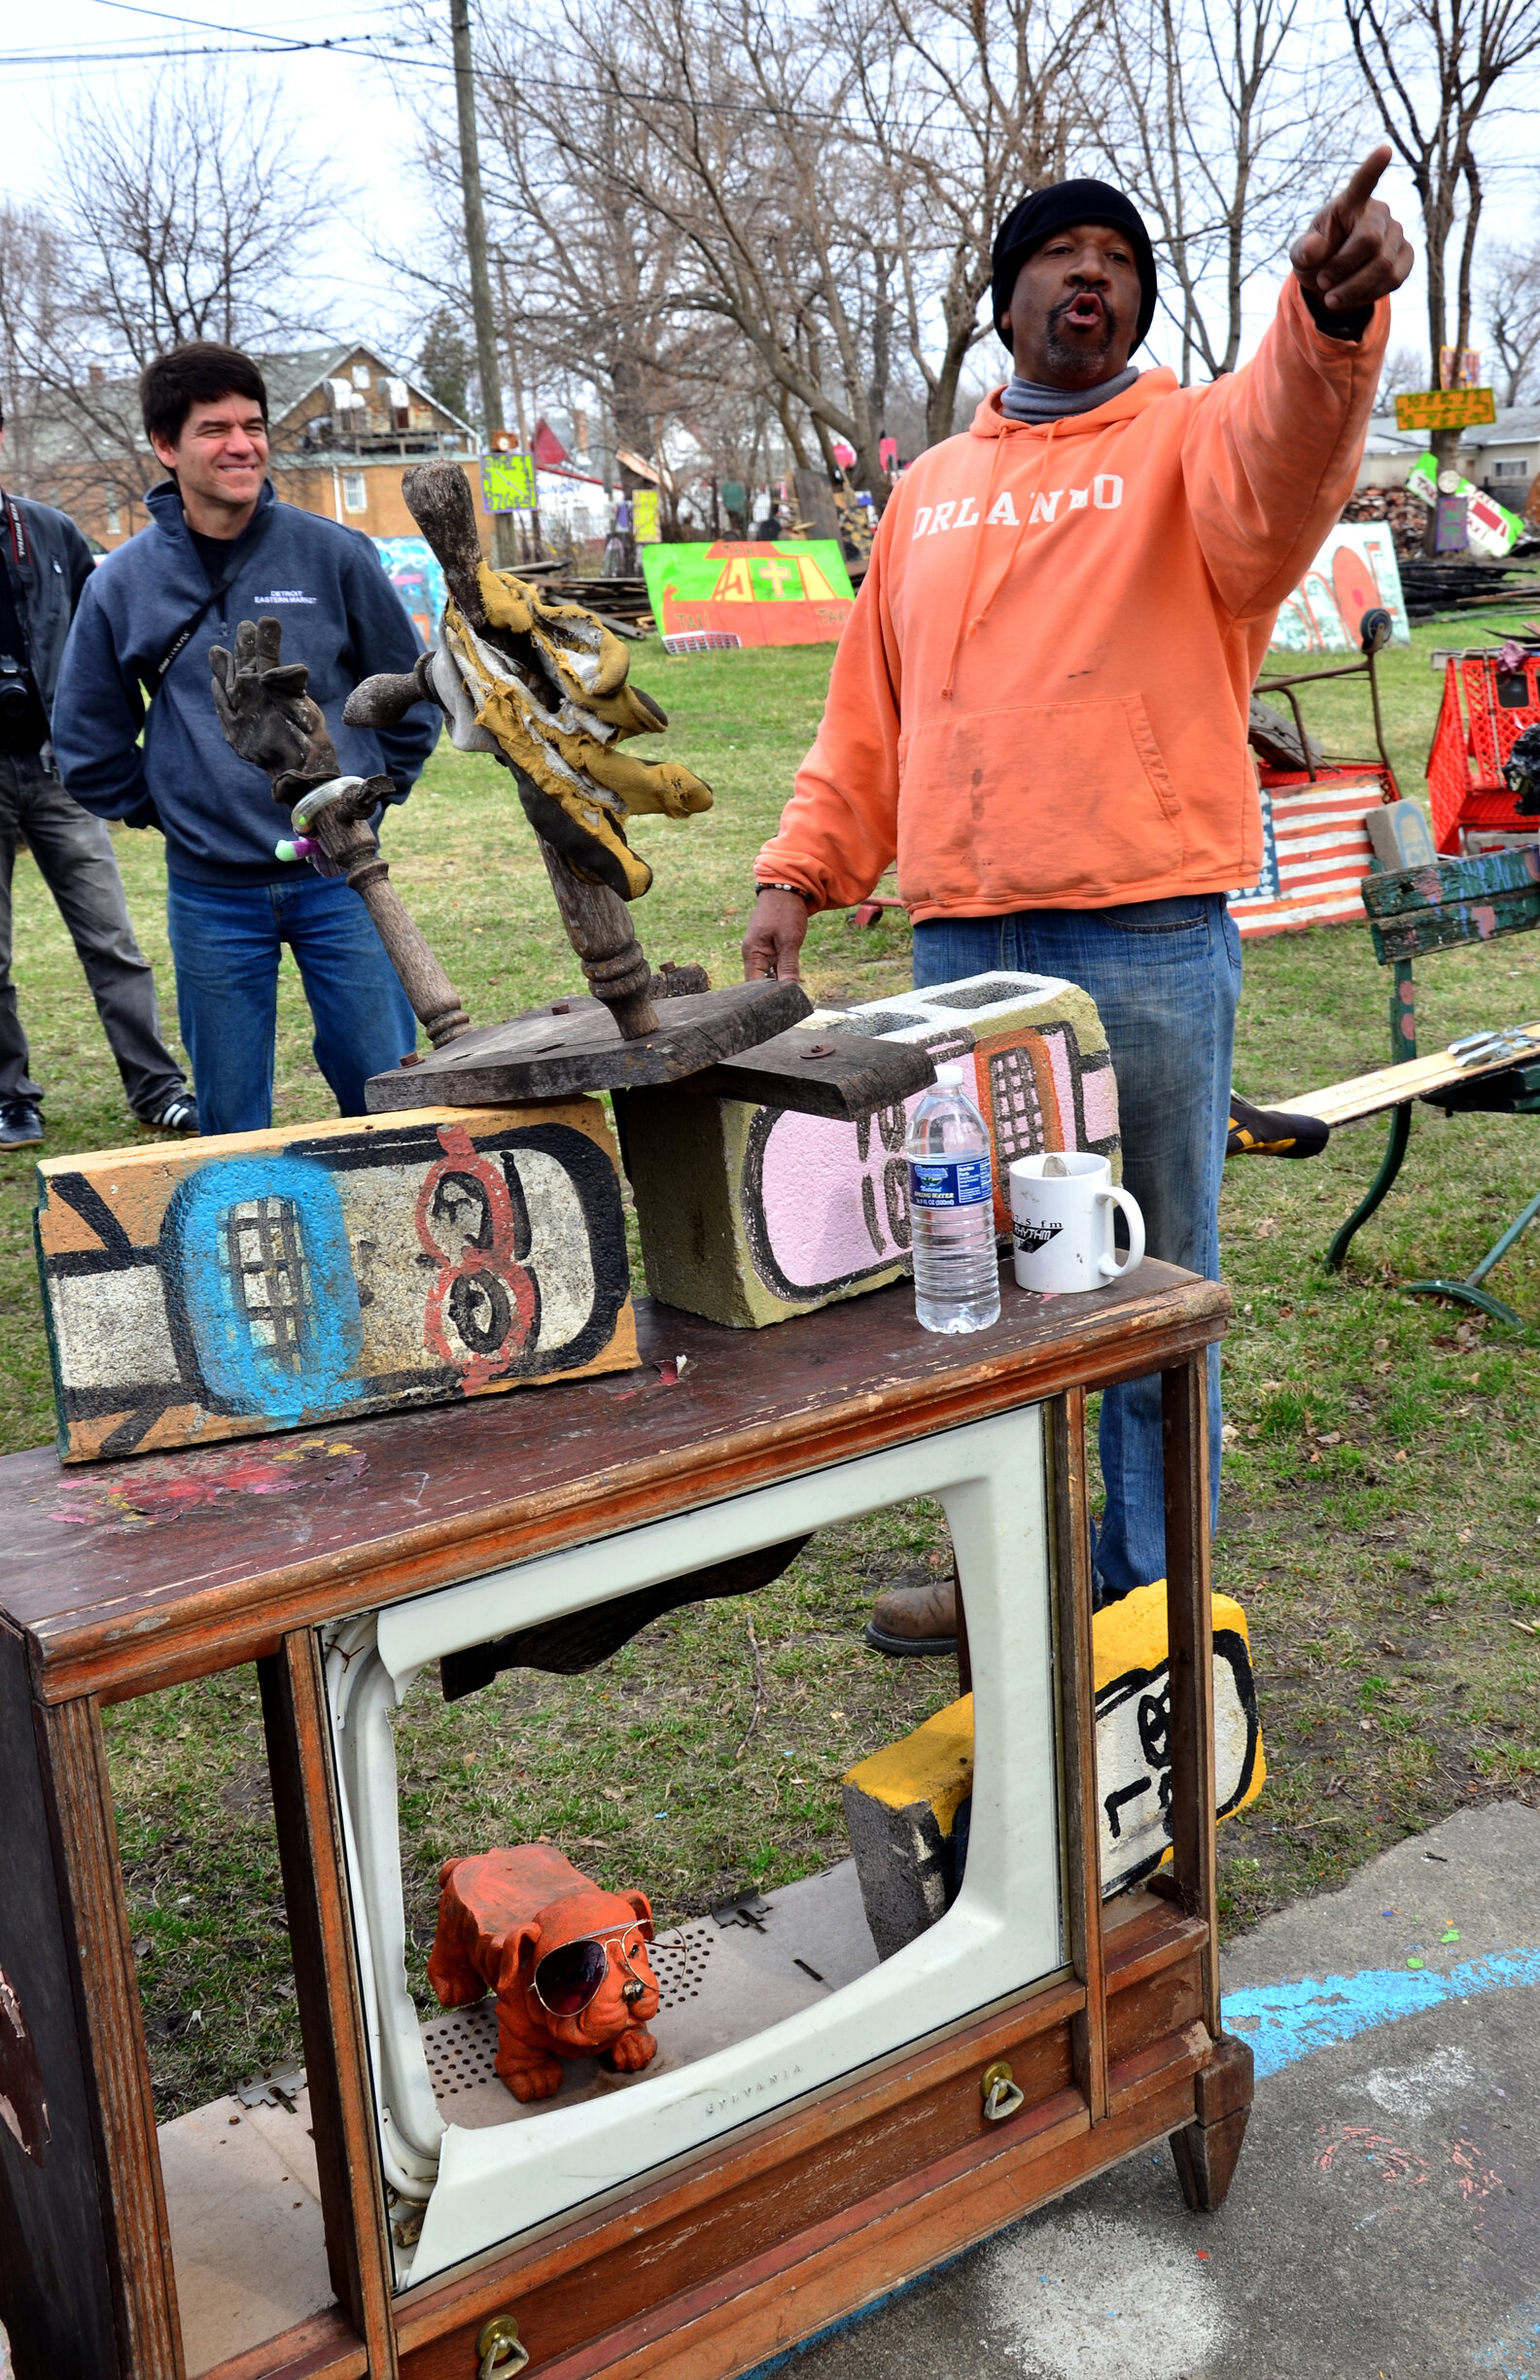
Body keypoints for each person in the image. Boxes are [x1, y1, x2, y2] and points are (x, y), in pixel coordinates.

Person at [744, 149, 1413, 1639]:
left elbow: (1285, 454)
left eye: (1117, 255)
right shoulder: (927, 492)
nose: (1090, 273)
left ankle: (1149, 1594)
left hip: (1149, 935)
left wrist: (1321, 322)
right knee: (970, 1272)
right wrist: (803, 865)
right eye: (1061, 254)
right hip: (963, 939)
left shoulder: (1189, 446)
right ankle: (1013, 1586)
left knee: (1148, 1279)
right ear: (1008, 300)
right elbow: (873, 707)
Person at [52, 342, 438, 1137]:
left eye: (253, 425)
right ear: (166, 447)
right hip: (212, 896)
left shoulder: (332, 553)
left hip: (343, 877)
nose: (241, 444)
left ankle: (397, 1246)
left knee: (387, 1091)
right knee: (232, 1117)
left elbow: (408, 691)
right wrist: (179, 810)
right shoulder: (122, 581)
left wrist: (369, 792)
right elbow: (85, 738)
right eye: (214, 428)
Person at [0, 404, 193, 1149]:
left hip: (57, 769)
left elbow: (105, 637)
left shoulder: (47, 532)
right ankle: (9, 1097)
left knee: (111, 938)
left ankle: (157, 1088)